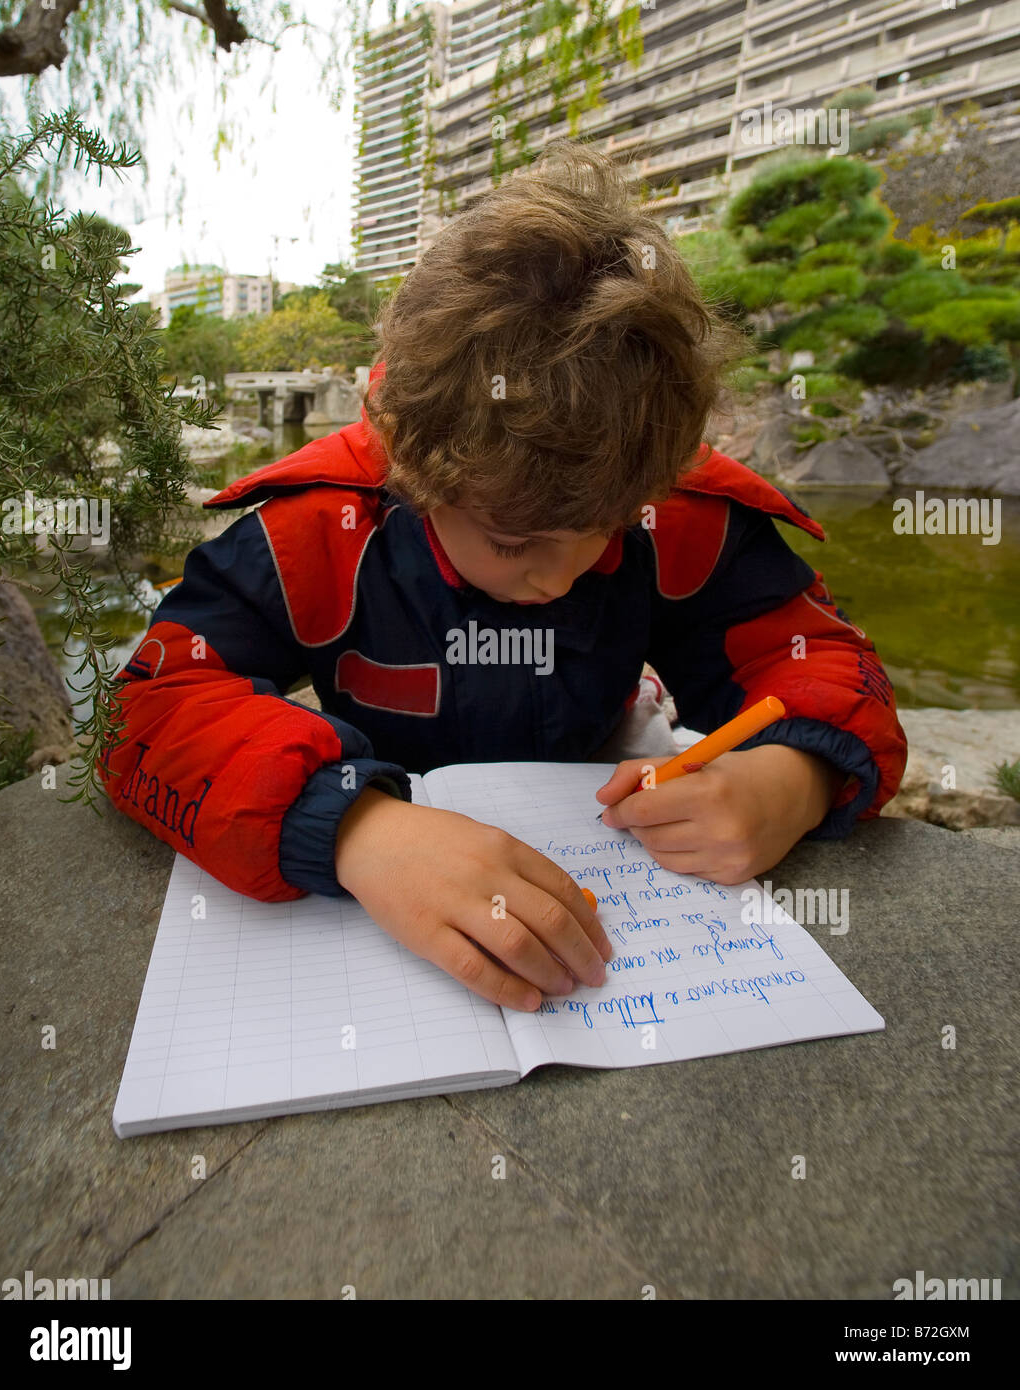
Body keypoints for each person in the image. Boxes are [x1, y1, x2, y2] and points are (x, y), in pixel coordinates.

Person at [98, 139, 907, 1014]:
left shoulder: (668, 508)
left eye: (598, 533)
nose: (560, 580)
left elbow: (819, 661)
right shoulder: (323, 528)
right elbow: (148, 704)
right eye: (514, 541)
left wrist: (793, 778)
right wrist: (354, 830)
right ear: (410, 462)